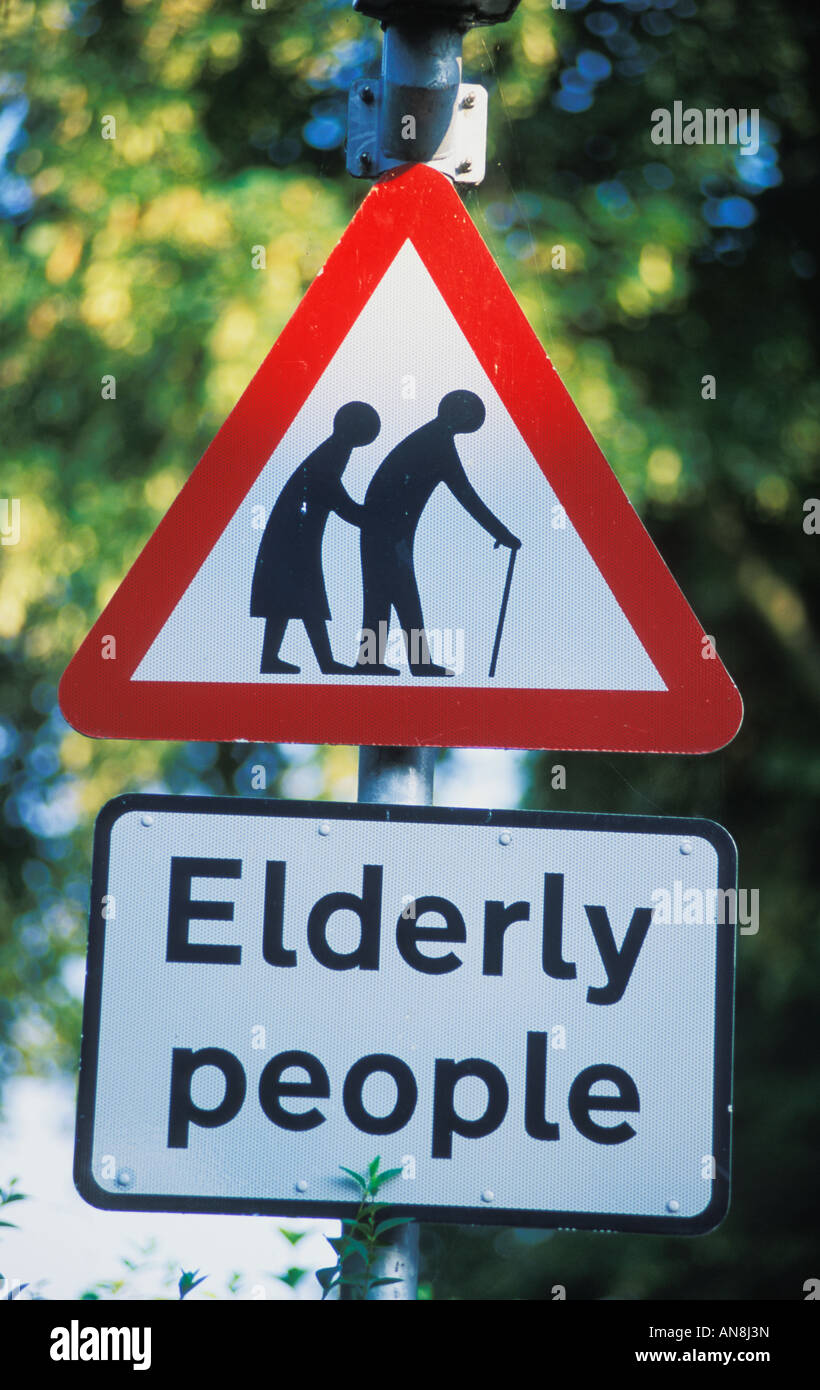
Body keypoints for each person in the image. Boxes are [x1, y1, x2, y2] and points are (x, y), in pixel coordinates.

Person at [356, 390, 520, 676]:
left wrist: (502, 533)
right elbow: (466, 494)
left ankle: (373, 661)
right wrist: (502, 533)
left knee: (384, 595)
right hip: (389, 534)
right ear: (459, 414)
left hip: (384, 531)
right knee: (400, 595)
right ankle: (411, 663)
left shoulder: (431, 438)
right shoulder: (437, 444)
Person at [250, 401, 380, 674]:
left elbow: (331, 492)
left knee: (292, 598)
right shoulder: (333, 452)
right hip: (294, 535)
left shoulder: (337, 449)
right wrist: (366, 516)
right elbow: (331, 491)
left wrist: (361, 515)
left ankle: (295, 660)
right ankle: (319, 662)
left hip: (296, 533)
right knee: (303, 597)